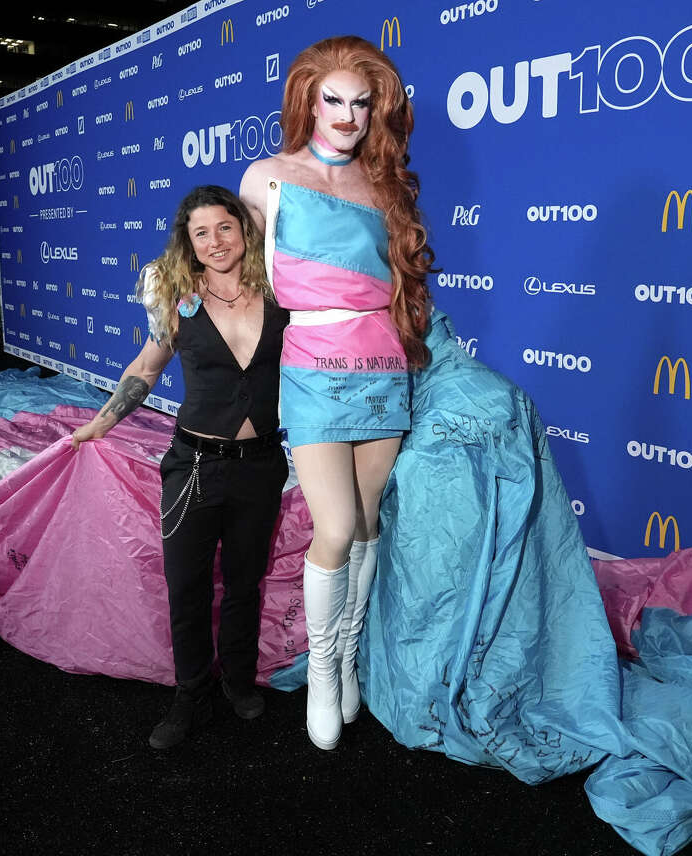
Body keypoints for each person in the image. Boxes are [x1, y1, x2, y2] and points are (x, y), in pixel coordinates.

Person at [238, 35, 433, 751]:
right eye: (334, 101)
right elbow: (240, 280)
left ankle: (348, 657)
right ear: (306, 101)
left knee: (371, 520)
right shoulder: (268, 177)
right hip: (312, 364)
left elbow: (403, 285)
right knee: (337, 527)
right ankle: (323, 673)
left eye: (361, 103)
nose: (347, 116)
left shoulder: (385, 184)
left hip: (382, 361)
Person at [72, 185, 289, 749]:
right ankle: (189, 692)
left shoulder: (281, 292)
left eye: (225, 227)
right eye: (201, 233)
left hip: (261, 467)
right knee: (187, 586)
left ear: (244, 230)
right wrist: (102, 422)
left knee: (245, 584)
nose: (216, 241)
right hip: (192, 467)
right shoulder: (177, 298)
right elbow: (147, 366)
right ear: (187, 242)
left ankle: (237, 682)